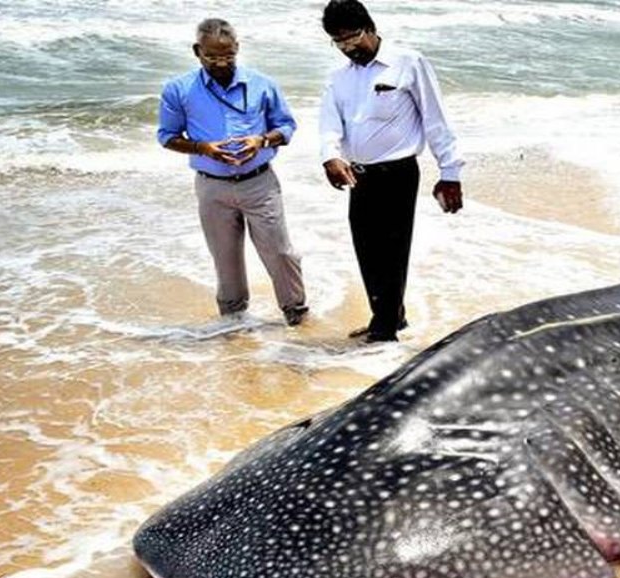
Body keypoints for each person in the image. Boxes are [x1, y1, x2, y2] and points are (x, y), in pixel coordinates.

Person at [319, 0, 464, 343]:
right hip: (358, 175)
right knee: (367, 251)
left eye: (352, 38)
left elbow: (435, 118)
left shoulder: (407, 63)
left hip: (398, 173)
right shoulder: (338, 78)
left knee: (393, 252)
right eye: (339, 41)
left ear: (370, 27)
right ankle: (390, 316)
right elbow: (329, 124)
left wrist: (450, 172)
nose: (348, 47)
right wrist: (330, 157)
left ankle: (384, 333)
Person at [157, 18, 309, 326]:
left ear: (237, 48)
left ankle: (296, 314)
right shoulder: (178, 89)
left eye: (228, 55)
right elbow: (167, 137)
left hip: (259, 183)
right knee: (225, 259)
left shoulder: (263, 84)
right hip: (211, 187)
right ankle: (233, 324)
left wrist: (261, 140)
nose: (221, 63)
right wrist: (203, 148)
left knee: (280, 253)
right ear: (197, 51)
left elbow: (286, 126)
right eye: (211, 56)